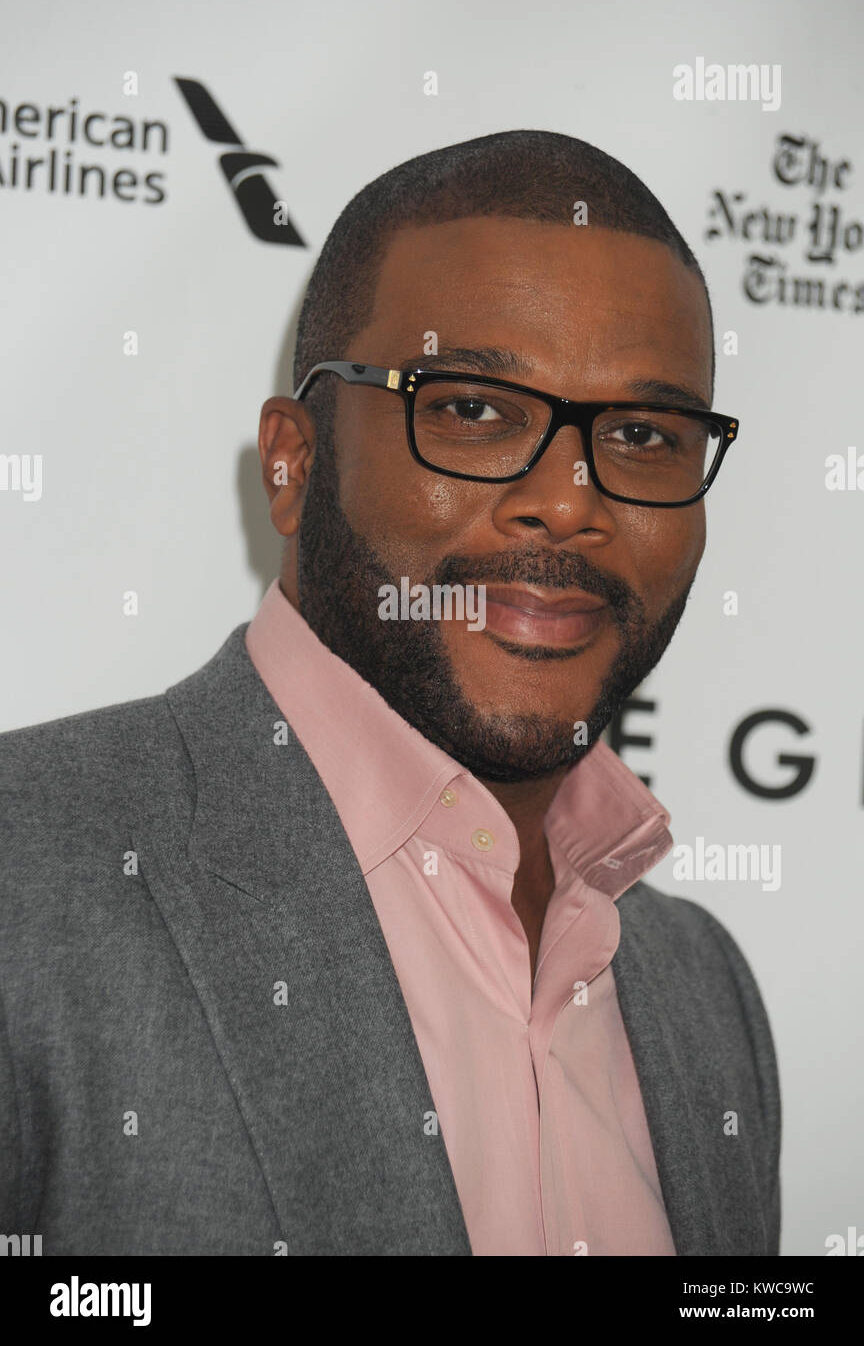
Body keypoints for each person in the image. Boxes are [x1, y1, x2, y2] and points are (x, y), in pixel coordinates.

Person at [0, 130, 780, 1256]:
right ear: (293, 462)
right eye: (471, 408)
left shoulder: (706, 993)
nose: (566, 503)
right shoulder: (28, 875)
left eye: (645, 434)